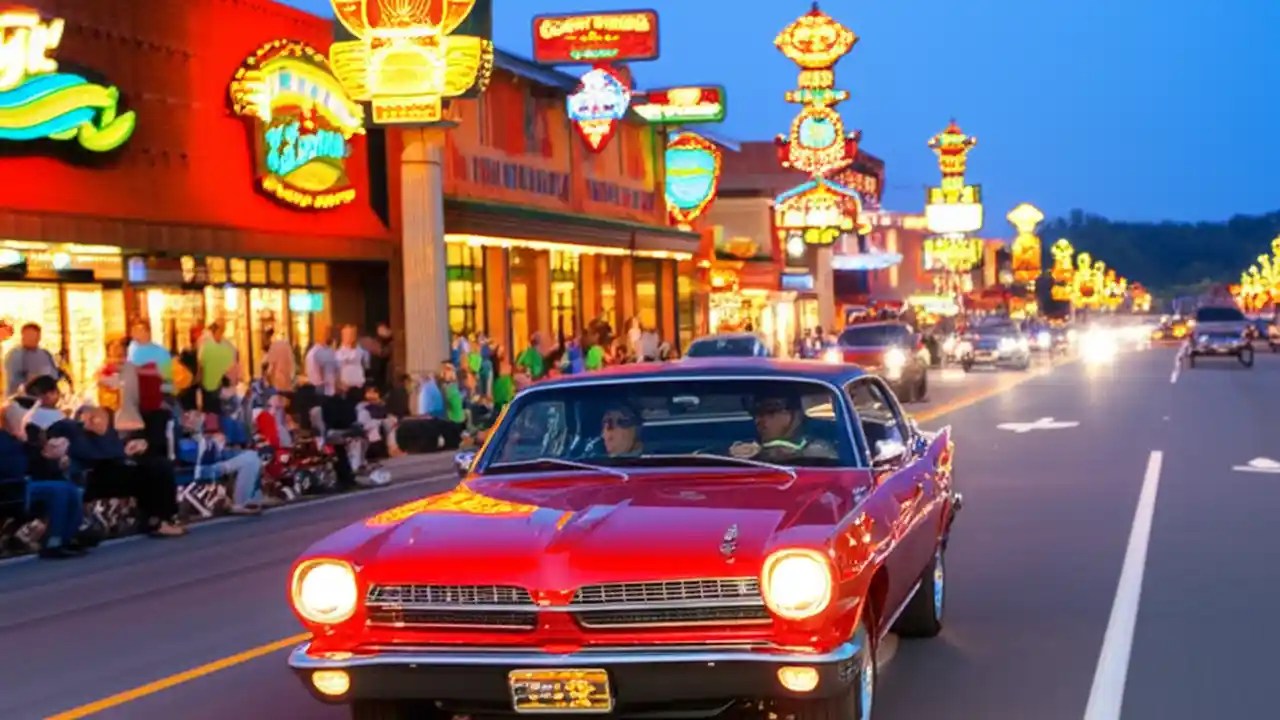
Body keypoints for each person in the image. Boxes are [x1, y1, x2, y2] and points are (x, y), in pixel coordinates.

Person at [68, 407, 185, 537]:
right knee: (152, 471)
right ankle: (157, 521)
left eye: (101, 419)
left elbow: (115, 451)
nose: (99, 422)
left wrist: (132, 447)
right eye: (93, 418)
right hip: (89, 478)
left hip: (111, 472)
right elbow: (94, 456)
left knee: (157, 467)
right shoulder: (76, 435)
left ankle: (159, 519)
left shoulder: (106, 434)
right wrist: (122, 453)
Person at [3, 402, 88, 558]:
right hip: (12, 487)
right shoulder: (6, 441)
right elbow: (12, 468)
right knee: (60, 491)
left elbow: (37, 463)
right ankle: (53, 542)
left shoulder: (23, 440)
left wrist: (53, 461)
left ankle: (66, 538)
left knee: (70, 488)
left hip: (25, 485)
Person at [740, 392, 838, 462]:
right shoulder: (746, 448)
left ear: (794, 415)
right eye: (755, 415)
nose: (758, 421)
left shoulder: (817, 449)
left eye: (770, 413)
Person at [4, 323, 66, 396]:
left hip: (45, 398)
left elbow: (54, 375)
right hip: (22, 399)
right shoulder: (15, 355)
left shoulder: (45, 354)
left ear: (39, 337)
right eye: (29, 336)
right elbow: (14, 379)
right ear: (23, 336)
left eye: (34, 336)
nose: (31, 339)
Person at [197, 321, 237, 417]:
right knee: (222, 414)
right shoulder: (229, 346)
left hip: (210, 386)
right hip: (222, 387)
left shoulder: (204, 344)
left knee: (210, 414)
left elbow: (200, 366)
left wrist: (198, 382)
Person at [126, 319, 174, 394]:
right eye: (132, 330)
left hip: (155, 396)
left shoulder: (161, 351)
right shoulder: (132, 348)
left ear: (147, 332)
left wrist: (165, 395)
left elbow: (167, 377)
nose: (133, 333)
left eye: (137, 330)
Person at [304, 326, 339, 396]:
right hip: (322, 388)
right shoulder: (318, 352)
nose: (330, 337)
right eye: (327, 334)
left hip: (325, 387)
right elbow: (318, 370)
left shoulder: (329, 351)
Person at [335, 324, 367, 391]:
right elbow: (338, 363)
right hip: (344, 384)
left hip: (357, 382)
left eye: (350, 335)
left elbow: (360, 360)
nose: (348, 337)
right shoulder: (340, 350)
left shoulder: (359, 349)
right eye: (346, 335)